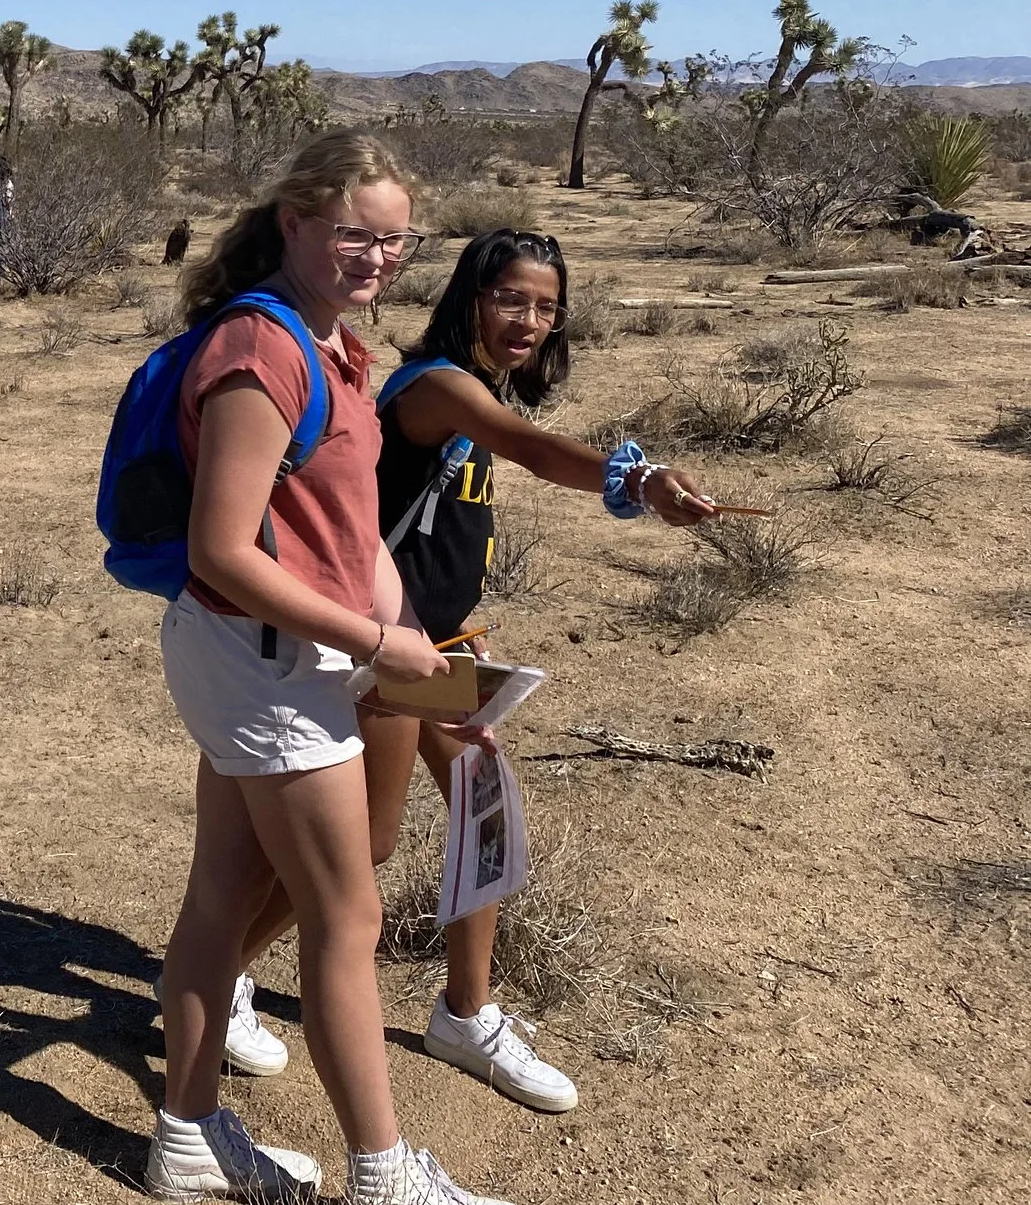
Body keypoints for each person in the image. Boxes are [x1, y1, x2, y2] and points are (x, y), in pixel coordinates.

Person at [219, 227, 715, 1117]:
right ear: (470, 299)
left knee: (484, 808)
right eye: (511, 298)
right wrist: (640, 481)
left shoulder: (474, 386)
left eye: (547, 307)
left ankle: (466, 1011)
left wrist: (463, 627)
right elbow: (527, 445)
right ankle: (216, 981)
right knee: (357, 855)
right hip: (378, 650)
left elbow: (438, 533)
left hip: (438, 646)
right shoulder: (438, 386)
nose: (529, 319)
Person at [147, 131, 510, 1205]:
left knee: (223, 899)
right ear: (296, 221)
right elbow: (221, 551)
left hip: (286, 654)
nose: (377, 257)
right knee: (345, 918)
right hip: (262, 663)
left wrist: (416, 645)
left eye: (395, 241)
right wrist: (370, 643)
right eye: (355, 233)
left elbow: (350, 535)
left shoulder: (333, 344)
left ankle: (185, 1132)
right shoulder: (258, 355)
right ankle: (384, 1176)